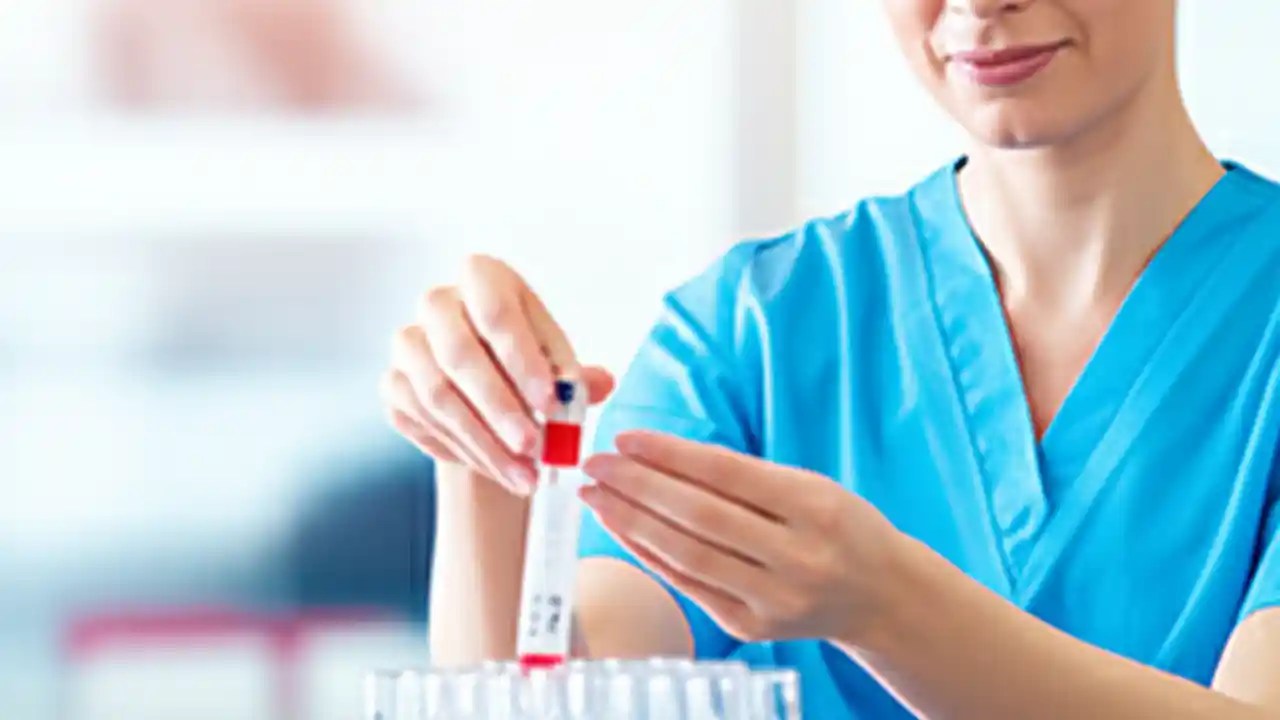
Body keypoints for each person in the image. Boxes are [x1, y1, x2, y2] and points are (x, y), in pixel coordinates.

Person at [380, 1, 1280, 717]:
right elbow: (562, 685)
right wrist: (485, 466)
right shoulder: (755, 329)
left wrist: (884, 605)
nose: (977, 5)